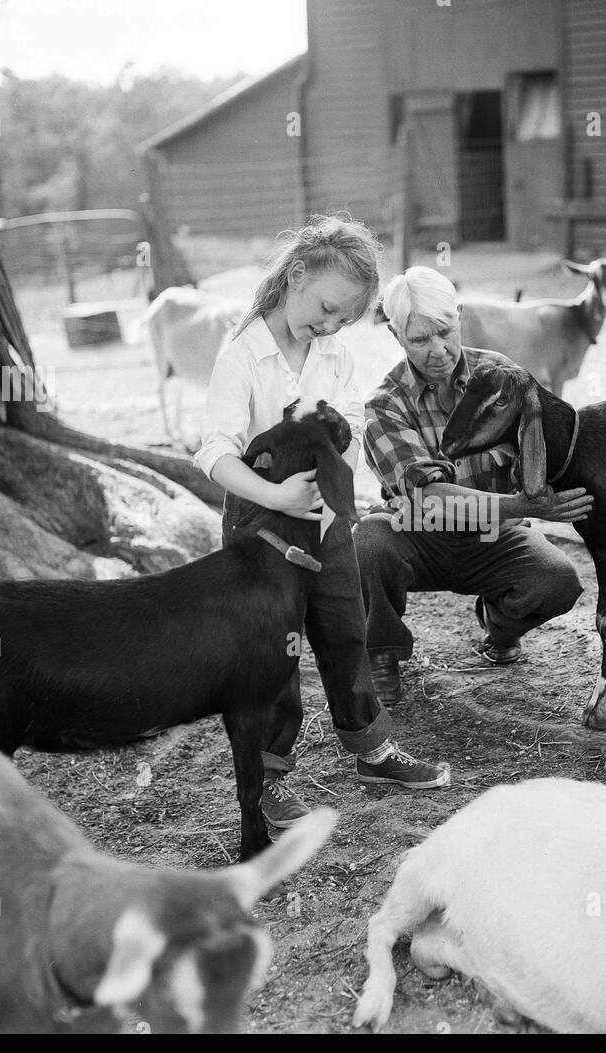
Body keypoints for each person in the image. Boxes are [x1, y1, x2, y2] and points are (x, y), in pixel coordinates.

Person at [195, 216, 449, 831]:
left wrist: (341, 467)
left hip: (327, 519)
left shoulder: (332, 353)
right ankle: (266, 774)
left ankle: (371, 747)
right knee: (273, 654)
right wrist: (275, 495)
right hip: (263, 524)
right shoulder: (244, 354)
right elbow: (213, 452)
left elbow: (354, 426)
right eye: (328, 309)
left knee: (343, 629)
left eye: (345, 319)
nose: (332, 325)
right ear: (296, 274)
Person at [357, 266, 592, 703]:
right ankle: (382, 654)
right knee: (369, 542)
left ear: (460, 316)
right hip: (418, 536)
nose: (438, 350)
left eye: (445, 331)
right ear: (395, 336)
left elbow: (547, 449)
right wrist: (526, 507)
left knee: (558, 580)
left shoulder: (502, 374)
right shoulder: (383, 405)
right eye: (419, 340)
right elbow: (430, 499)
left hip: (494, 536)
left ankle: (498, 627)